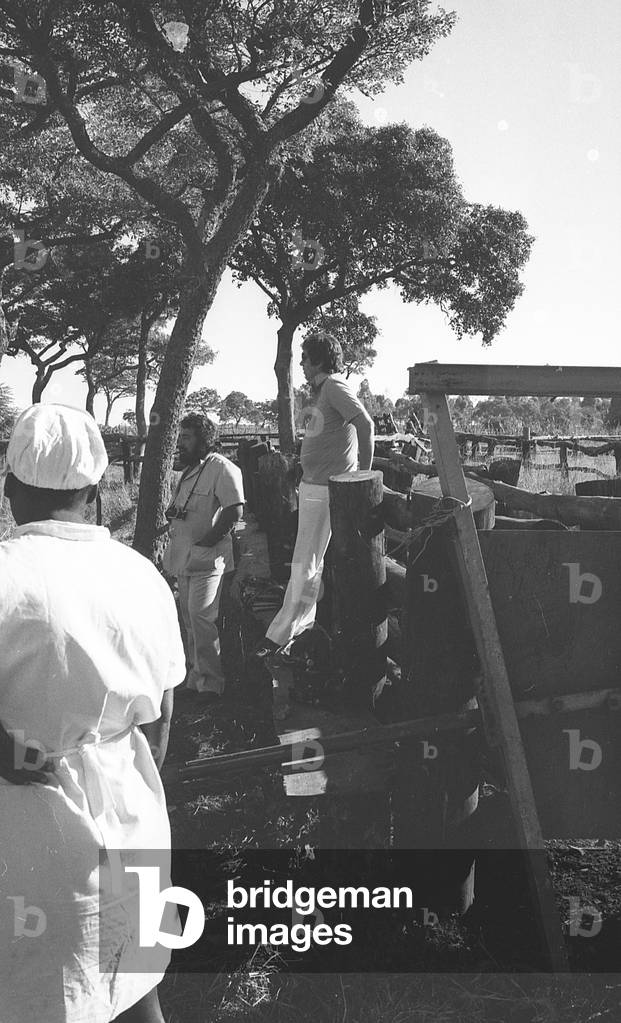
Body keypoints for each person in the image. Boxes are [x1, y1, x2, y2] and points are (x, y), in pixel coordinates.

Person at [0, 403, 187, 1023]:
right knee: (133, 986)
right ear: (95, 492)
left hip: (30, 828)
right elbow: (160, 722)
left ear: (9, 488)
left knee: (44, 995)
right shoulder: (142, 576)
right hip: (132, 809)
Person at [258, 331, 374, 660]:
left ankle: (279, 636)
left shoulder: (335, 387)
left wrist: (363, 475)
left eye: (306, 359)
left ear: (320, 360)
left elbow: (365, 424)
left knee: (304, 562)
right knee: (309, 562)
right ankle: (300, 627)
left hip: (324, 489)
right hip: (314, 485)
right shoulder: (323, 390)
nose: (304, 365)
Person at [162, 413, 245, 699]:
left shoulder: (223, 468)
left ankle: (211, 684)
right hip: (185, 558)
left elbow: (235, 511)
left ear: (203, 440)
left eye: (186, 438)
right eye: (180, 437)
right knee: (188, 619)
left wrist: (207, 543)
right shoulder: (189, 470)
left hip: (208, 560)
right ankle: (194, 679)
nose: (180, 443)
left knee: (201, 618)